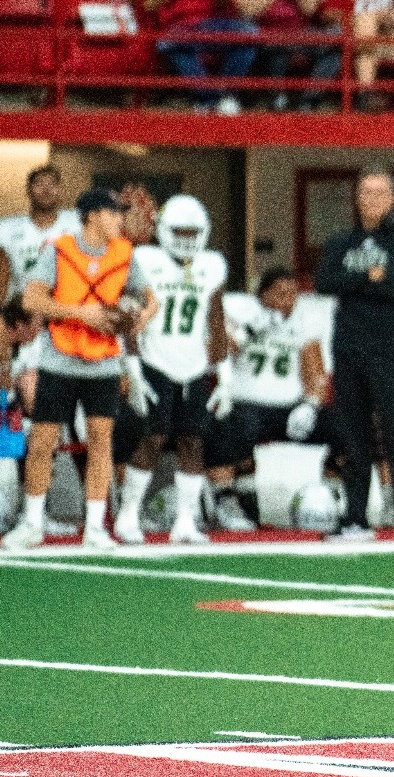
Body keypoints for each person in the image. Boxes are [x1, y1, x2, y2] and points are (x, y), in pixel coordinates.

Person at [3, 189, 157, 551]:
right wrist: (81, 313)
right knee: (42, 442)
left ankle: (95, 527)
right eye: (114, 213)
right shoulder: (61, 250)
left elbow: (151, 300)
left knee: (101, 442)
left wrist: (139, 319)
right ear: (92, 216)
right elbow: (31, 299)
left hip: (103, 362)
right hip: (60, 359)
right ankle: (32, 523)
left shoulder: (124, 254)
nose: (121, 219)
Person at [110, 195, 232, 546]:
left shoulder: (211, 265)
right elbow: (131, 315)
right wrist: (132, 369)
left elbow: (216, 321)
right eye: (178, 231)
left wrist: (225, 375)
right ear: (162, 231)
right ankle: (128, 515)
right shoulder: (144, 261)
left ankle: (185, 521)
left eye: (192, 232)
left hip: (193, 366)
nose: (185, 239)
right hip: (155, 361)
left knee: (193, 441)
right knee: (153, 437)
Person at [314, 166, 394, 540]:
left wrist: (359, 284)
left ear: (392, 198)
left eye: (380, 193)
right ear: (356, 197)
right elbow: (324, 281)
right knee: (353, 435)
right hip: (347, 347)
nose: (372, 200)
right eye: (365, 192)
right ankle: (355, 518)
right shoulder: (341, 241)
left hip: (388, 348)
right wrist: (368, 278)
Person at [206, 267, 335, 530]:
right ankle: (228, 502)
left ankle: (336, 500)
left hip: (290, 410)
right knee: (222, 426)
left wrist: (310, 405)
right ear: (262, 294)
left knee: (347, 429)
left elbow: (316, 372)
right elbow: (217, 352)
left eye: (293, 295)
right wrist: (250, 330)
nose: (287, 301)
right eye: (280, 294)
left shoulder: (303, 319)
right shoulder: (240, 309)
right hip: (244, 402)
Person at [143, 0, 260, 113]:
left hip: (212, 23)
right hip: (178, 26)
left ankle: (220, 96)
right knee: (167, 43)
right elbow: (149, 3)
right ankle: (210, 99)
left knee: (250, 34)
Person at [234, 0, 323, 112]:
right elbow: (249, 10)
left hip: (297, 31)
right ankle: (275, 98)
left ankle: (308, 101)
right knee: (279, 42)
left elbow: (310, 9)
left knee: (334, 38)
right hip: (262, 30)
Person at [0, 167, 82, 310]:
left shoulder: (78, 222)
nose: (46, 189)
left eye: (52, 184)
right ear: (28, 190)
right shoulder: (7, 228)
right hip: (22, 313)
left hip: (68, 309)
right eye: (39, 184)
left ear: (61, 190)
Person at [0, 298, 44, 533]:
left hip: (7, 413)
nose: (39, 330)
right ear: (19, 324)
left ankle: (27, 515)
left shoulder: (12, 343)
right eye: (36, 325)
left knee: (38, 437)